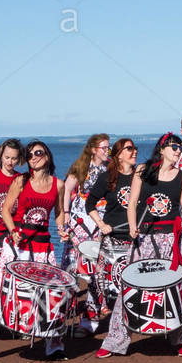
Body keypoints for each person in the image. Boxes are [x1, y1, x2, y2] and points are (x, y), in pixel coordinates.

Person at [0, 141, 68, 363]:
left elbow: (59, 211)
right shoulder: (20, 181)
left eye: (39, 153)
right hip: (17, 245)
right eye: (29, 155)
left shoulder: (58, 185)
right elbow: (5, 209)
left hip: (43, 246)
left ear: (48, 156)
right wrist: (12, 230)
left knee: (52, 295)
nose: (33, 157)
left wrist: (62, 228)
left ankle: (54, 346)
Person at [96, 133, 182, 358]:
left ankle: (181, 339)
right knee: (128, 288)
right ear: (161, 149)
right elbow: (132, 204)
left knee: (177, 290)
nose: (178, 150)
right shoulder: (143, 170)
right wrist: (132, 227)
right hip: (144, 238)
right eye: (173, 146)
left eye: (180, 147)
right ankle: (115, 341)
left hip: (172, 238)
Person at [58, 134, 111, 331]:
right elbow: (65, 190)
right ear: (93, 149)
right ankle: (64, 315)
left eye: (109, 148)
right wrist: (64, 215)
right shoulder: (80, 168)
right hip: (79, 223)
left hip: (100, 223)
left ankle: (90, 317)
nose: (108, 151)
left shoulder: (109, 169)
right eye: (104, 148)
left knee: (97, 271)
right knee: (73, 267)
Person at [85, 138, 139, 314]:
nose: (134, 152)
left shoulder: (140, 177)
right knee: (101, 281)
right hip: (112, 237)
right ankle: (90, 320)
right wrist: (101, 224)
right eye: (129, 149)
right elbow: (90, 204)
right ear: (119, 155)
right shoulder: (107, 177)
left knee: (133, 281)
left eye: (135, 148)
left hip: (134, 239)